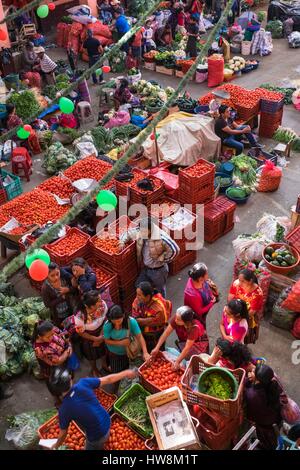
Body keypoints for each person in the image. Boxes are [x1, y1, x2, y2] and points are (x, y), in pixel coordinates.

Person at [49, 367, 137, 450]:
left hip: (97, 437)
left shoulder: (64, 409)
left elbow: (63, 434)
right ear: (70, 379)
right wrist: (125, 373)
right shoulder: (83, 383)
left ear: (55, 392)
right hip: (107, 420)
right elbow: (108, 379)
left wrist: (56, 445)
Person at [121, 217, 180, 298]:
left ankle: (162, 306)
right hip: (146, 268)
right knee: (138, 285)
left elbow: (175, 250)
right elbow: (128, 233)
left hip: (158, 271)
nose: (141, 233)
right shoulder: (141, 232)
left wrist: (163, 259)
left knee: (160, 291)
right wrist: (122, 242)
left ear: (150, 230)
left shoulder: (161, 237)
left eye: (144, 231)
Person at [103, 305, 150, 378]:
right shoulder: (107, 325)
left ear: (123, 316)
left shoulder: (131, 322)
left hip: (131, 352)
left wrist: (145, 352)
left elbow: (140, 337)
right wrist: (120, 343)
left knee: (130, 371)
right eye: (114, 322)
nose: (117, 324)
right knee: (117, 372)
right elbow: (106, 341)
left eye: (119, 321)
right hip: (115, 354)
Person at [244, 364, 282, 450]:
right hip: (275, 419)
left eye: (253, 371)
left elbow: (250, 415)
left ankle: (264, 446)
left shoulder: (253, 395)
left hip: (266, 425)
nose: (251, 371)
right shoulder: (272, 383)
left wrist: (248, 381)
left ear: (258, 379)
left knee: (267, 441)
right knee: (271, 438)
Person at [74, 290, 108, 377]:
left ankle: (104, 364)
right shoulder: (80, 316)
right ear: (90, 306)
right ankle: (94, 369)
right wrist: (95, 339)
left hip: (102, 331)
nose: (101, 302)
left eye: (100, 299)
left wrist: (101, 336)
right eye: (98, 301)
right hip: (88, 337)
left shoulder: (102, 305)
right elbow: (81, 333)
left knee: (103, 351)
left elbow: (105, 320)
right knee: (91, 355)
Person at [132, 281, 172, 351]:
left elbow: (157, 321)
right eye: (137, 294)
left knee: (157, 352)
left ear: (147, 296)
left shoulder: (159, 307)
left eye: (139, 295)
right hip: (143, 334)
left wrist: (139, 320)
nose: (137, 297)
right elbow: (135, 313)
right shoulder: (137, 301)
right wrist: (144, 320)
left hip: (155, 336)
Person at [228, 268, 264, 344]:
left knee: (242, 337)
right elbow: (230, 297)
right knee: (230, 334)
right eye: (239, 279)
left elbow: (252, 311)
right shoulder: (236, 284)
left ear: (250, 281)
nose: (239, 283)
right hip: (234, 313)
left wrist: (239, 319)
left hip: (246, 317)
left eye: (242, 281)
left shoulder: (257, 293)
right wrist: (232, 311)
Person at [41, 262, 74, 327]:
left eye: (57, 274)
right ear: (47, 276)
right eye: (52, 275)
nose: (56, 277)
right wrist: (61, 298)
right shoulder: (45, 288)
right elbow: (47, 304)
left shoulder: (64, 279)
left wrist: (68, 289)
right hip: (58, 315)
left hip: (70, 308)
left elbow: (75, 288)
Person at [184, 263, 216, 328]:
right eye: (206, 273)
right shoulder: (193, 295)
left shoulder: (194, 278)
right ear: (201, 278)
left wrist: (210, 294)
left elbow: (206, 286)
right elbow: (199, 312)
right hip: (200, 315)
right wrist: (212, 303)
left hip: (206, 303)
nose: (208, 275)